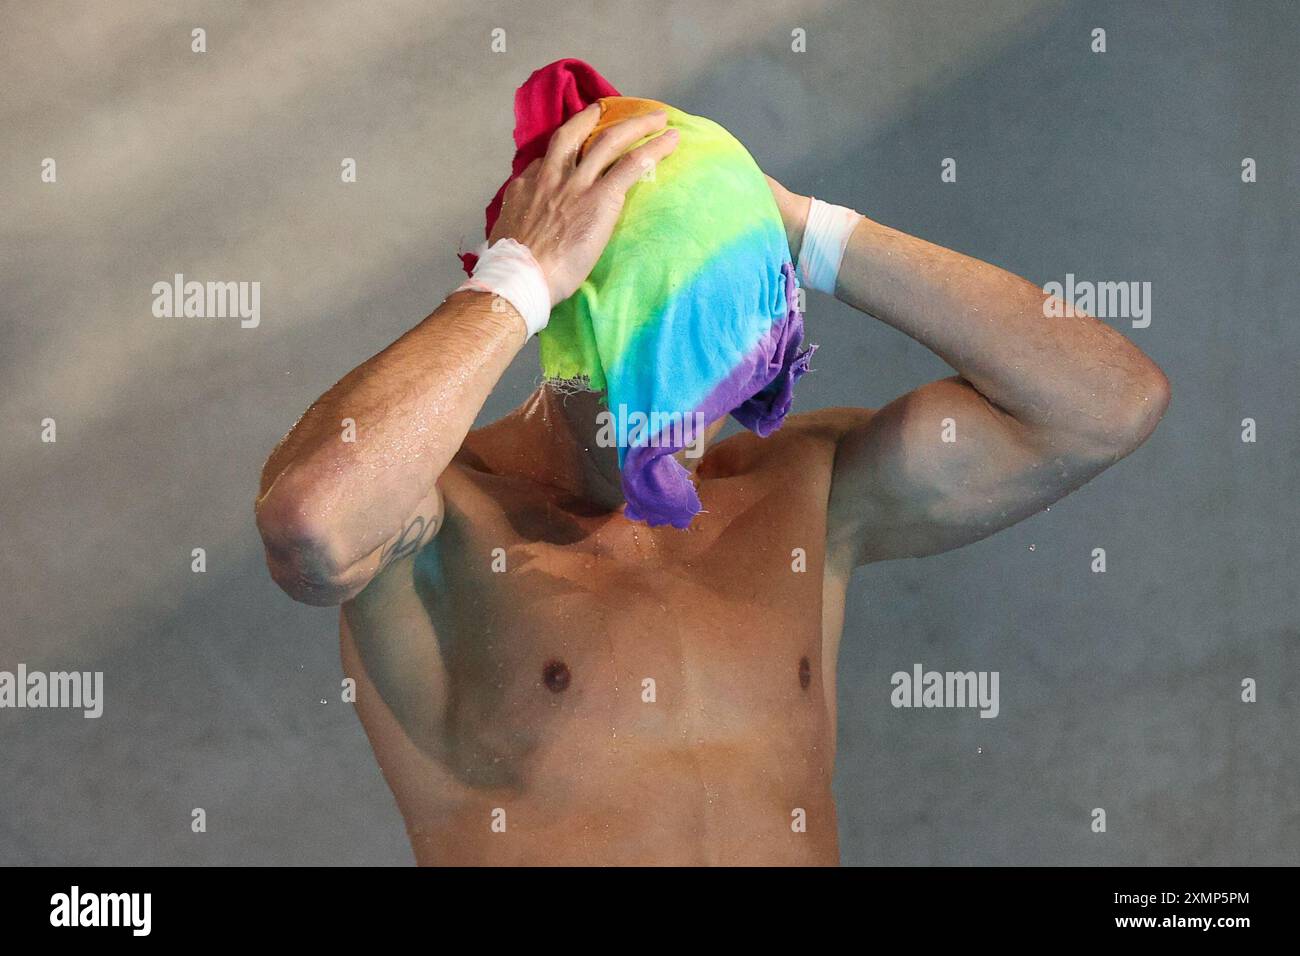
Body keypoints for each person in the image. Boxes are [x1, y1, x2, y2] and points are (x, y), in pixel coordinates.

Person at [255, 105, 1169, 865]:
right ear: (571, 335)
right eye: (664, 371)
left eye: (731, 371)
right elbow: (311, 524)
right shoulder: (449, 517)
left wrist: (803, 229)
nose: (695, 427)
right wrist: (517, 277)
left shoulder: (805, 491)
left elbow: (1106, 405)